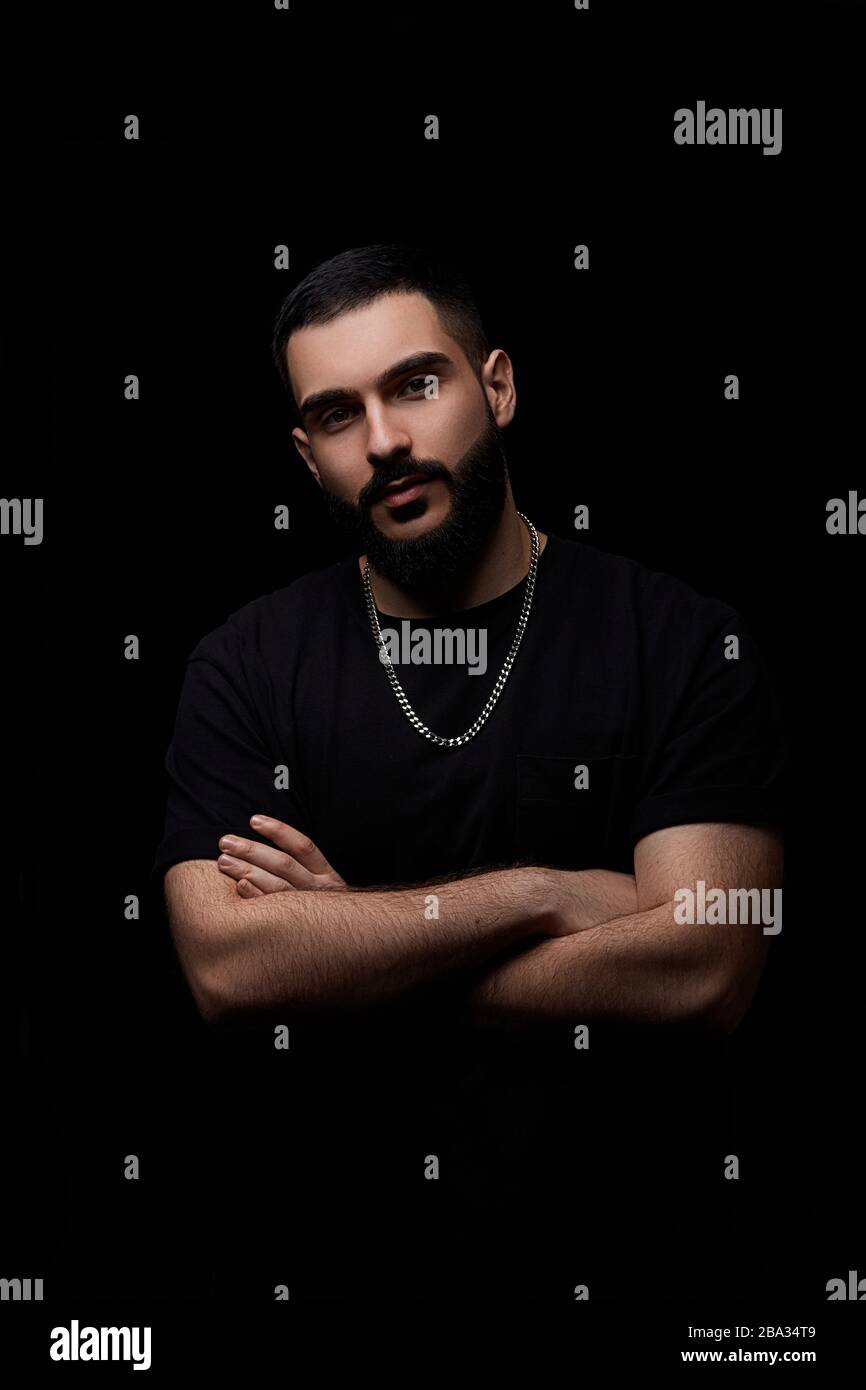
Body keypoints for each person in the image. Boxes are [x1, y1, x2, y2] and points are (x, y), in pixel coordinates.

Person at [150, 244, 785, 1302]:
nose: (387, 440)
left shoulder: (676, 639)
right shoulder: (246, 663)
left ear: (495, 384)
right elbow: (229, 965)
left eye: (415, 383)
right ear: (307, 455)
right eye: (338, 413)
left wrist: (348, 943)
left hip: (633, 1266)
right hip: (329, 1272)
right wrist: (544, 895)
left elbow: (706, 962)